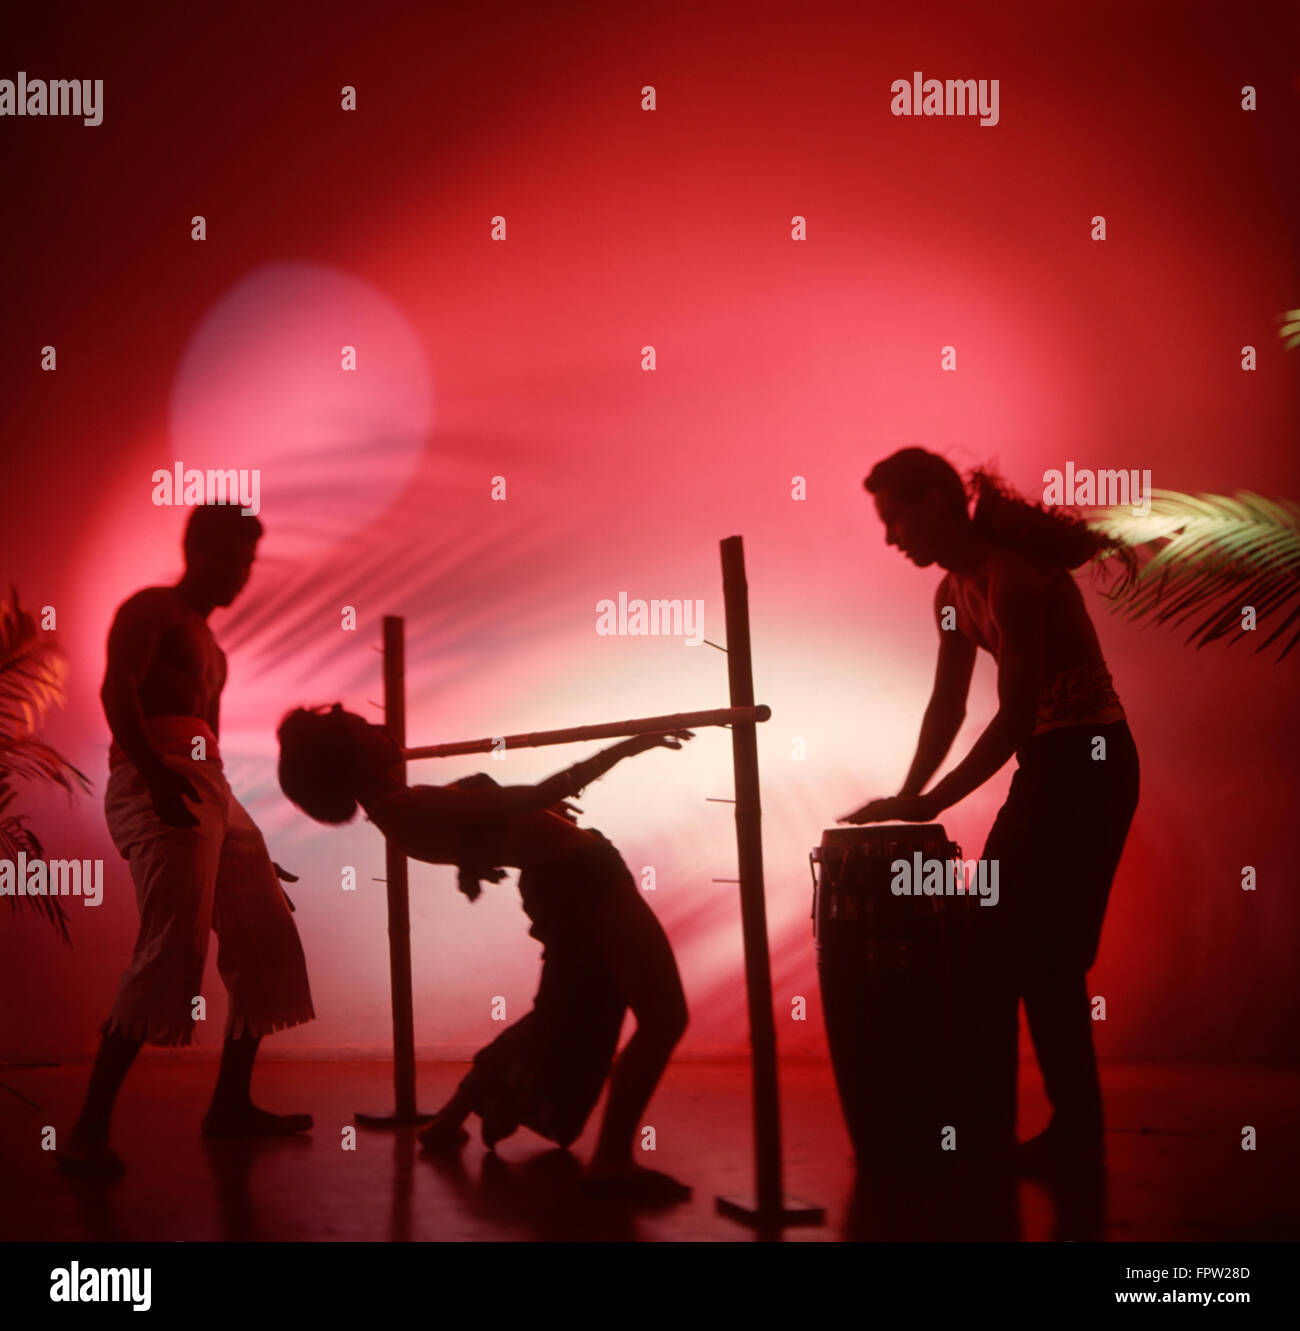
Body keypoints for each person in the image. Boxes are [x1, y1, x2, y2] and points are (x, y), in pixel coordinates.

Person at [843, 447, 1140, 1175]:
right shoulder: (951, 591)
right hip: (1048, 769)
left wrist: (928, 803)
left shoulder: (1013, 578)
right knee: (1008, 947)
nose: (889, 538)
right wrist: (904, 801)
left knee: (1041, 953)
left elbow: (1010, 718)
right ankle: (1010, 1129)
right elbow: (946, 706)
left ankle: (1061, 1130)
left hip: (1092, 765)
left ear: (936, 503)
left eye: (895, 518)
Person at [277, 705, 692, 1202]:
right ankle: (610, 1160)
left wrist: (486, 846)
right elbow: (534, 796)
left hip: (574, 883)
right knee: (662, 1015)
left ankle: (466, 1118)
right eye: (363, 729)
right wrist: (630, 742)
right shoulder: (411, 810)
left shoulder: (405, 807)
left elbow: (485, 820)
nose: (381, 727)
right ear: (349, 760)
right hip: (585, 884)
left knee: (564, 1014)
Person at [60, 505, 316, 1176]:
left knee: (265, 932)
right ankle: (86, 1132)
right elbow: (118, 689)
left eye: (249, 562)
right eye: (235, 558)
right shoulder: (151, 610)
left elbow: (213, 747)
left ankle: (230, 1106)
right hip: (154, 770)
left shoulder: (216, 650)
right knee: (172, 944)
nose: (243, 574)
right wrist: (154, 774)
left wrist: (242, 834)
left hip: (205, 782)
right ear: (199, 551)